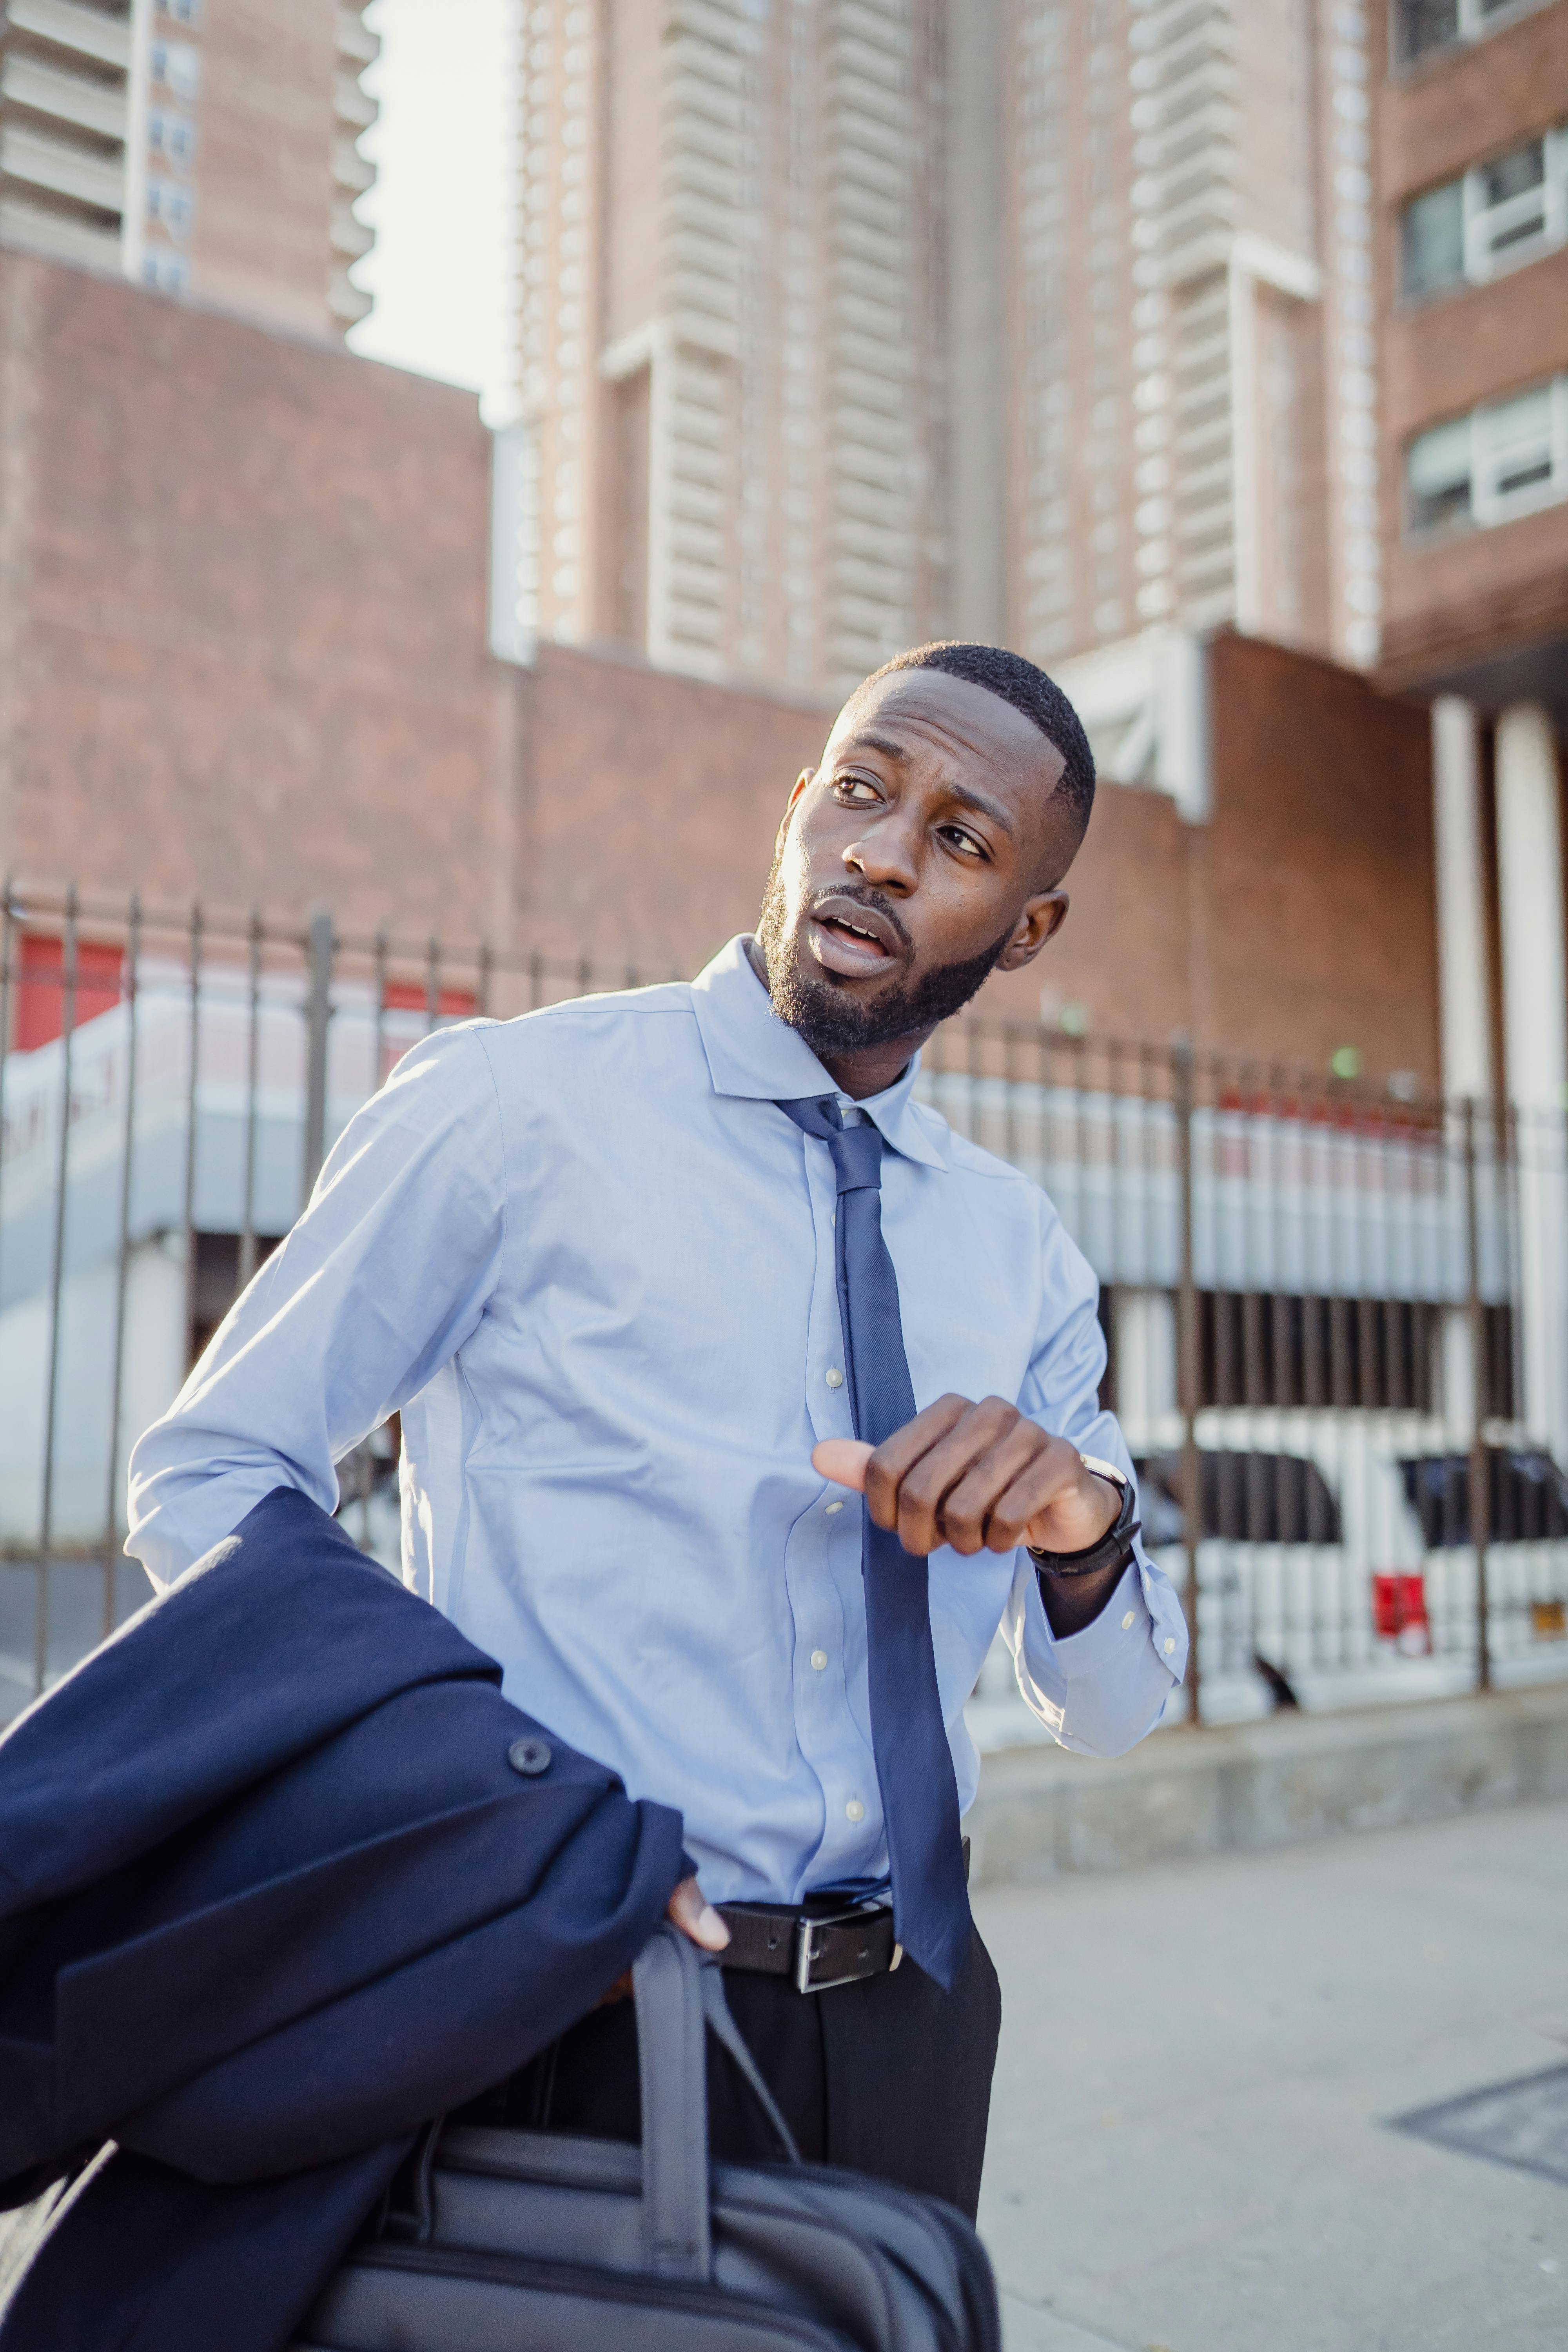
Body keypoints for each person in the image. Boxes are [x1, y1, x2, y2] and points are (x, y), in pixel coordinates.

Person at [126, 639, 1187, 2222]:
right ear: (797, 806)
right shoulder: (514, 1108)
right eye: (861, 788)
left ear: (1025, 929)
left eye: (962, 841)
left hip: (912, 2021)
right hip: (566, 1993)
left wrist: (1083, 1533)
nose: (883, 852)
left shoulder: (1014, 1243)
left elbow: (1109, 1714)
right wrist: (488, 1815)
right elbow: (210, 1473)